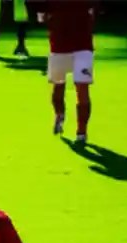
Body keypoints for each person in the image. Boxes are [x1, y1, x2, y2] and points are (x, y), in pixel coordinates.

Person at [33, 1, 100, 143]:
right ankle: (59, 115)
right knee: (58, 87)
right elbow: (41, 14)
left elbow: (95, 8)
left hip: (82, 45)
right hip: (59, 44)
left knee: (82, 88)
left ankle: (81, 132)